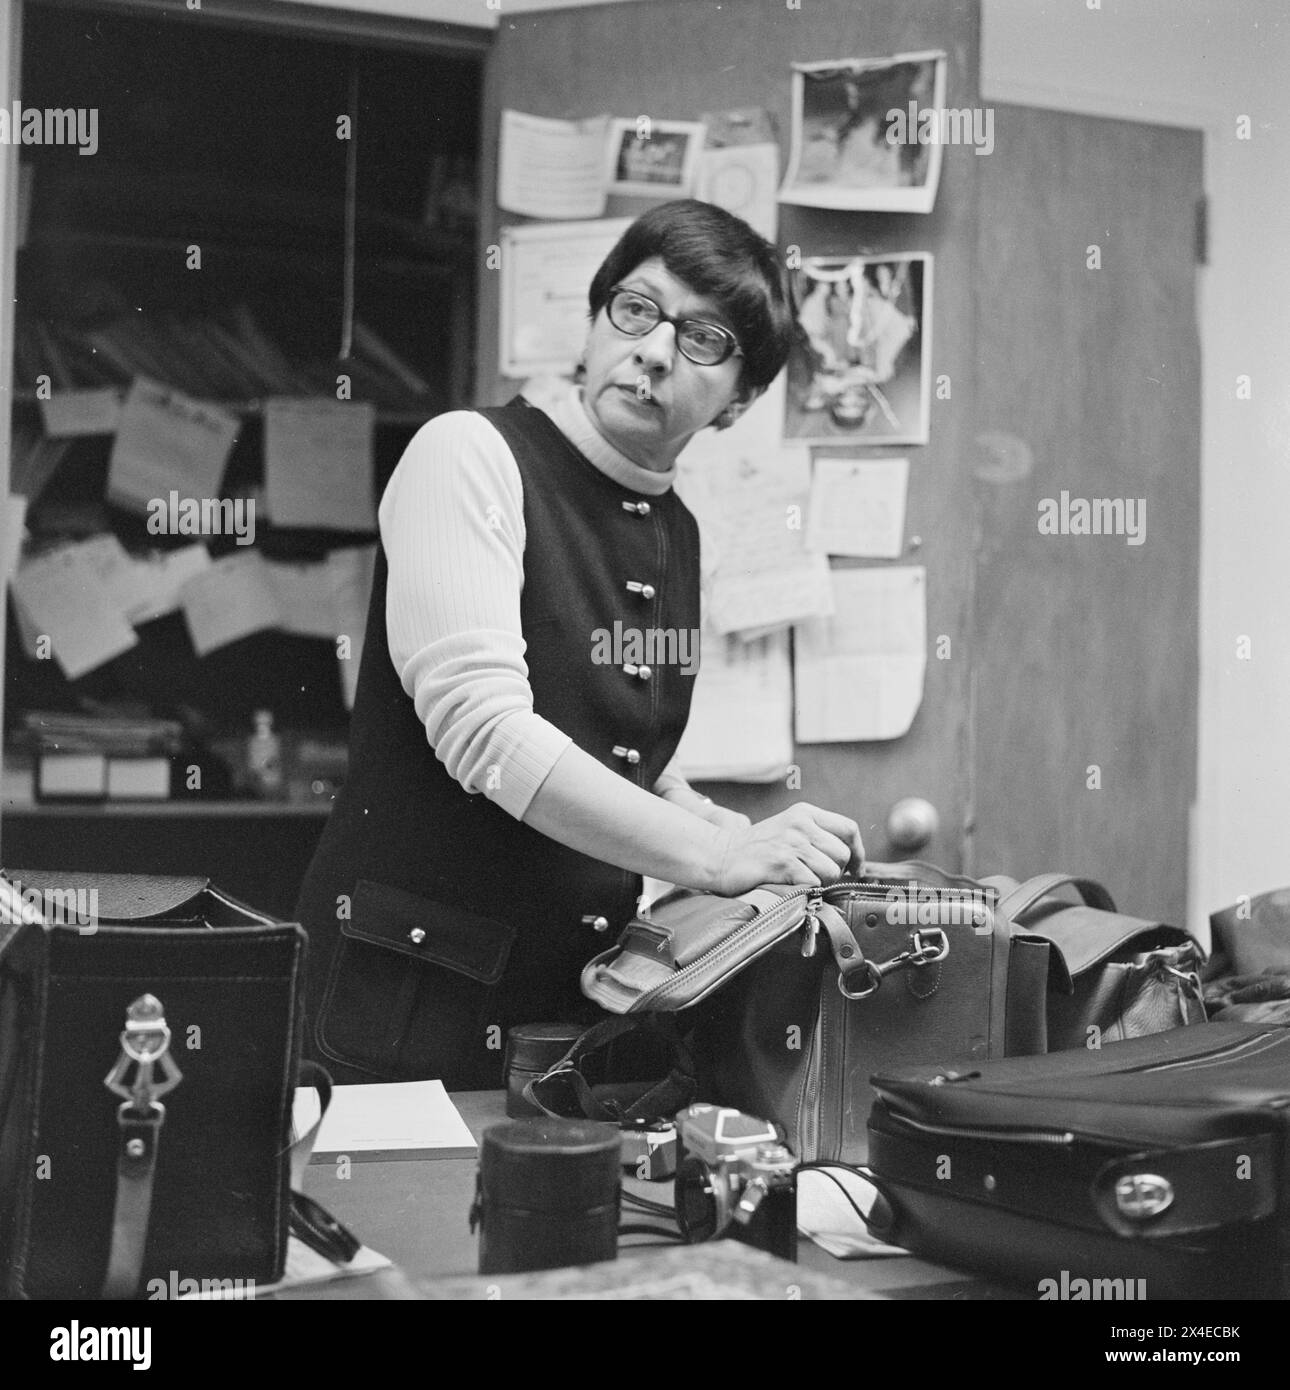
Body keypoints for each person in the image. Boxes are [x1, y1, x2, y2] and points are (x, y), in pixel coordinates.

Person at [295, 200, 865, 1087]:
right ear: (597, 321)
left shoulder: (677, 532)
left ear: (742, 399)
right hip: (402, 1006)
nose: (654, 350)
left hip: (564, 1006)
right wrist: (712, 858)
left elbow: (628, 751)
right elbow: (485, 733)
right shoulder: (468, 455)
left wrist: (739, 833)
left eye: (704, 338)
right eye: (635, 309)